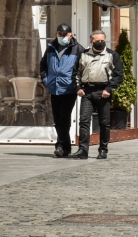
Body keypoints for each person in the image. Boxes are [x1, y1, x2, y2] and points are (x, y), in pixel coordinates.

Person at [71, 30, 123, 160]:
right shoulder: (83, 55)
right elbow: (76, 72)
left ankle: (103, 149)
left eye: (102, 40)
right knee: (84, 121)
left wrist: (109, 89)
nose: (100, 43)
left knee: (104, 122)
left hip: (103, 92)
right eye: (97, 41)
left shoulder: (112, 55)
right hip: (87, 92)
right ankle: (83, 150)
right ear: (91, 42)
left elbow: (119, 75)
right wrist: (78, 88)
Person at [40, 23, 84, 158]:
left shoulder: (78, 49)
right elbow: (43, 65)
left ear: (70, 35)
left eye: (65, 35)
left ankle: (59, 145)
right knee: (58, 120)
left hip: (69, 89)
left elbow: (83, 68)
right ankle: (66, 148)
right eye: (60, 34)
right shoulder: (51, 48)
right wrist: (46, 80)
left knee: (64, 117)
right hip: (54, 88)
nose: (62, 37)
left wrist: (78, 85)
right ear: (56, 35)